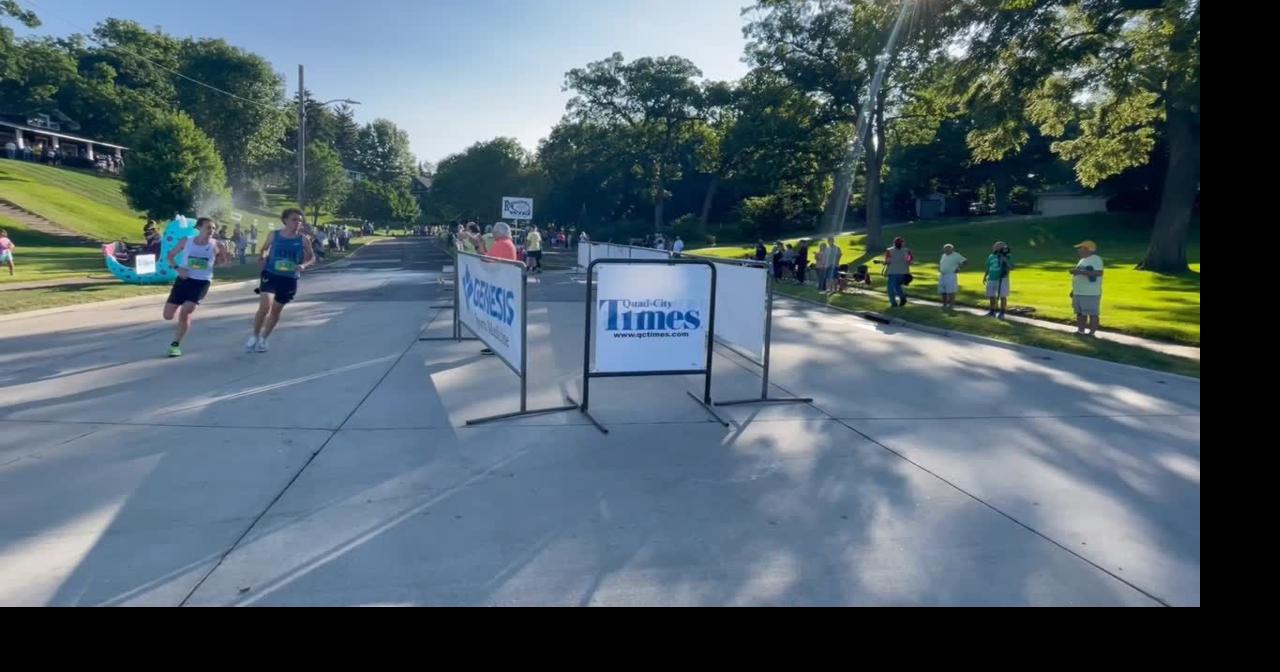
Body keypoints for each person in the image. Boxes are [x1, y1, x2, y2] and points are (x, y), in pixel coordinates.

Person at [245, 208, 315, 353]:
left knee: (275, 311)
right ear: (285, 220)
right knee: (265, 307)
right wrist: (262, 257)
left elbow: (312, 257)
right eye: (294, 219)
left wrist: (303, 265)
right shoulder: (274, 235)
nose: (297, 223)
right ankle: (254, 336)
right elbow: (264, 249)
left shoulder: (303, 239)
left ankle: (263, 339)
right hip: (271, 274)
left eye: (300, 220)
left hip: (289, 279)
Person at [162, 217, 230, 357]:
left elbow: (223, 264)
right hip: (183, 279)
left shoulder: (217, 244)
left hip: (201, 282)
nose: (211, 230)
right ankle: (183, 316)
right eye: (208, 227)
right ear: (199, 228)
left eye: (213, 228)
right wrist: (178, 269)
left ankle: (175, 345)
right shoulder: (186, 241)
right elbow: (171, 256)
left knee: (185, 311)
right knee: (167, 316)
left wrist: (226, 257)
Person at [1069, 240, 1104, 336]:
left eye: (1080, 248)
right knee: (1080, 313)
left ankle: (1091, 333)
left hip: (1090, 293)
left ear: (1087, 249)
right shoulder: (1082, 260)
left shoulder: (1096, 259)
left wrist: (1079, 272)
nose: (1078, 250)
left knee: (1092, 314)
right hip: (1079, 292)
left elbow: (1098, 273)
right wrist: (1074, 290)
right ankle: (1080, 331)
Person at [983, 241, 1013, 319]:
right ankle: (992, 311)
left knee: (1003, 296)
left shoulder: (1007, 256)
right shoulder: (991, 256)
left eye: (997, 247)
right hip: (991, 278)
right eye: (995, 246)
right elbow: (988, 267)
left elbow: (1011, 267)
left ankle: (1002, 313)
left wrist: (1004, 260)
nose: (994, 248)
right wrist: (985, 276)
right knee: (991, 296)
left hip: (1002, 279)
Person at [884, 236, 913, 307]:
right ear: (902, 243)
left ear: (894, 243)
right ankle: (902, 298)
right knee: (897, 286)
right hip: (904, 273)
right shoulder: (907, 251)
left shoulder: (889, 250)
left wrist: (885, 262)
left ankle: (893, 303)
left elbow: (888, 261)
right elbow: (909, 261)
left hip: (893, 272)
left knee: (890, 289)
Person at [937, 243, 967, 310]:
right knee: (943, 291)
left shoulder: (956, 255)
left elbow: (965, 262)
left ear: (952, 249)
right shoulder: (943, 255)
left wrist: (958, 268)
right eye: (945, 249)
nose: (946, 250)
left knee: (951, 291)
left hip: (950, 275)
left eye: (948, 249)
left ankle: (951, 306)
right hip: (942, 275)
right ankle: (944, 305)